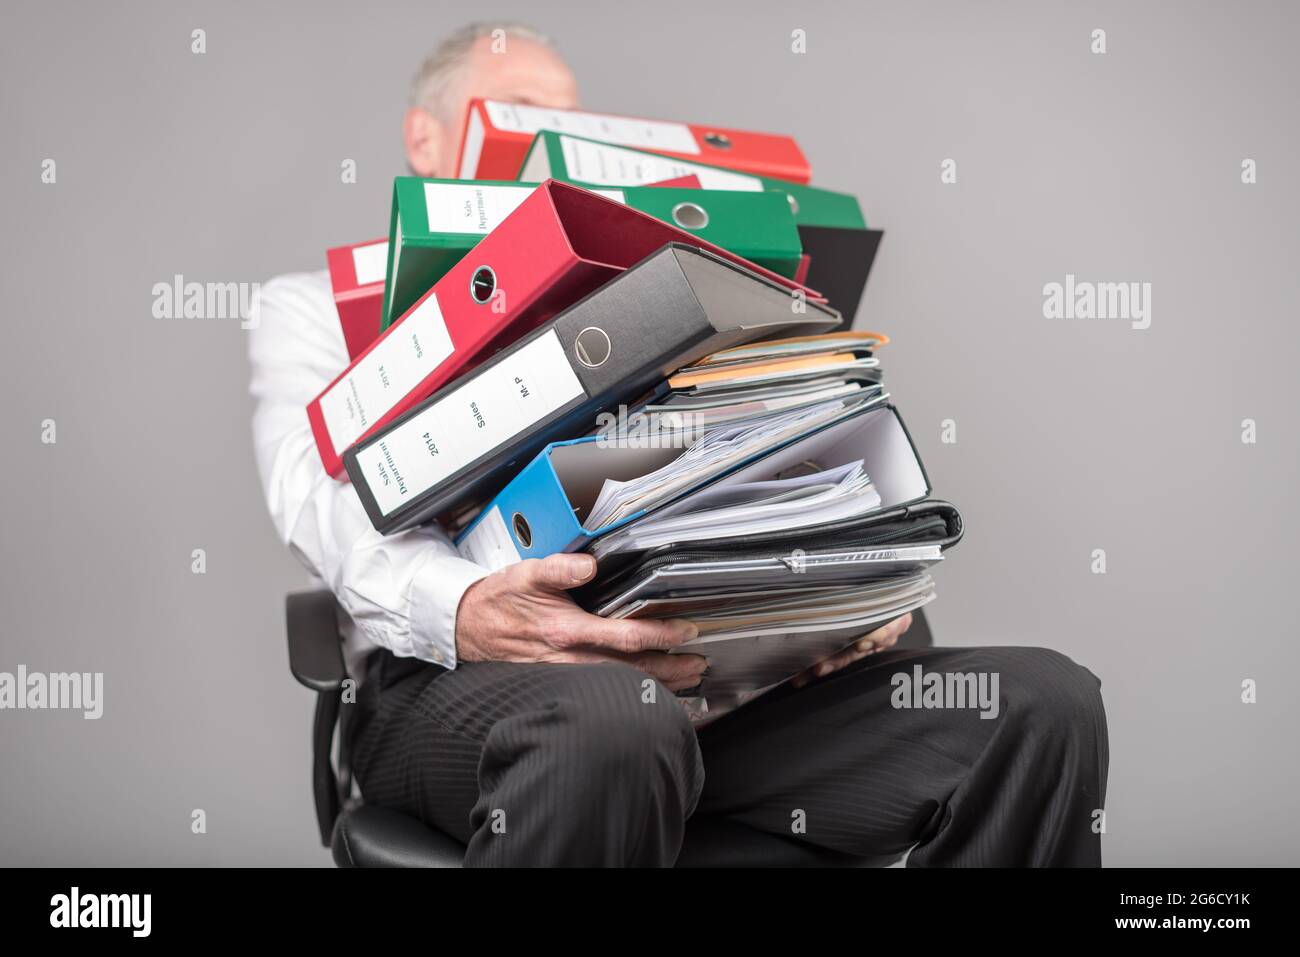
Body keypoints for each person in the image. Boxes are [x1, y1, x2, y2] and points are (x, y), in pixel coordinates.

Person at [249, 21, 1108, 867]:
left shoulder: (644, 294)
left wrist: (821, 600)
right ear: (425, 139)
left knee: (1038, 704)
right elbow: (311, 495)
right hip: (451, 689)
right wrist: (464, 608)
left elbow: (742, 464)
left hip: (702, 687)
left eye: (565, 128)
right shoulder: (314, 307)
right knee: (615, 719)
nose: (544, 145)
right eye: (513, 115)